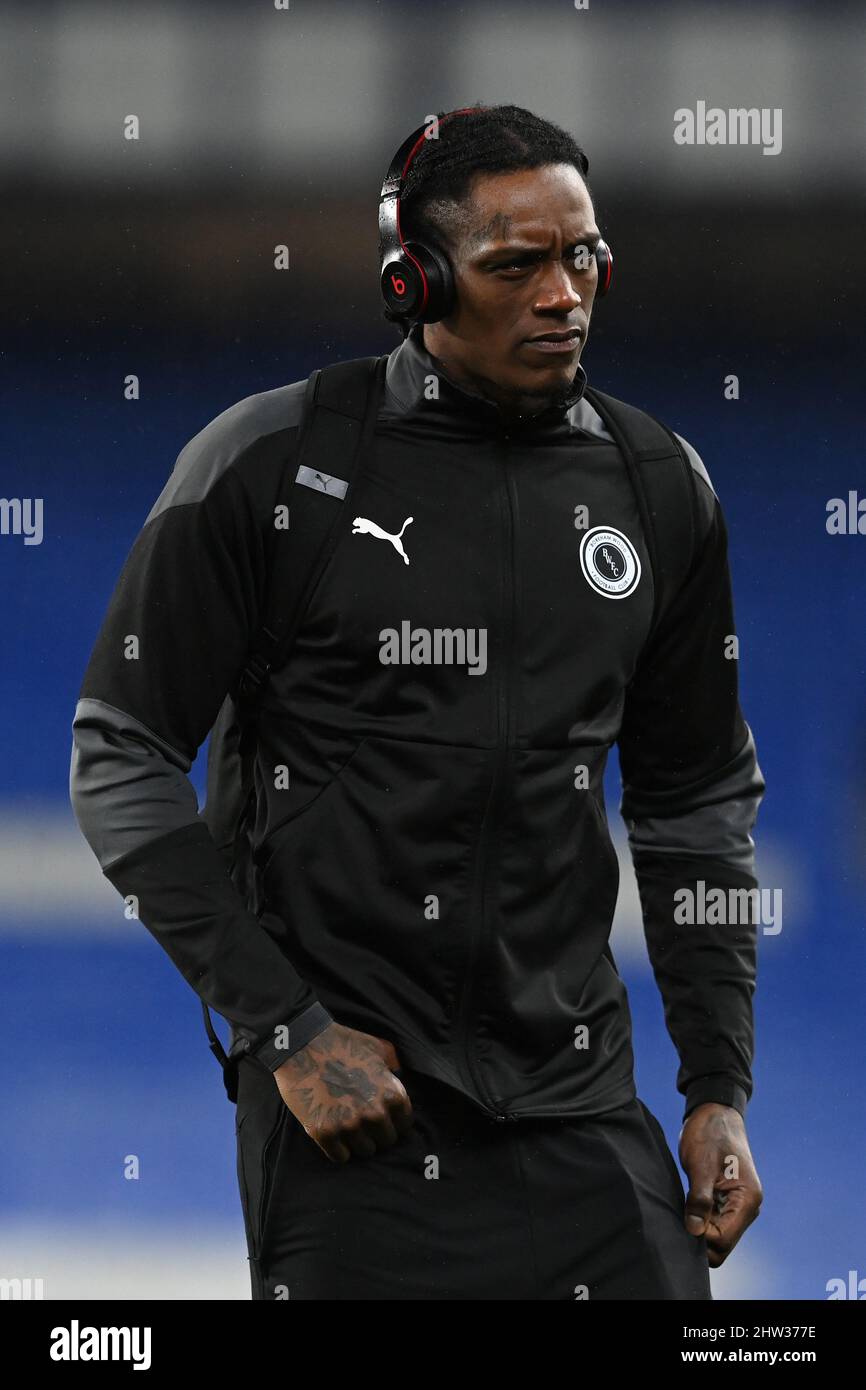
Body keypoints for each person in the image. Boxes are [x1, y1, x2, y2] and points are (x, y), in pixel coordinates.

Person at [70, 103, 765, 1300]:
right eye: (516, 265)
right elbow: (118, 757)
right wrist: (285, 1031)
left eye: (582, 257)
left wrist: (716, 1086)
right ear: (417, 280)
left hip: (581, 1106)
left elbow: (693, 802)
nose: (563, 296)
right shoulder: (271, 466)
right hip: (356, 1112)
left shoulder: (660, 489)